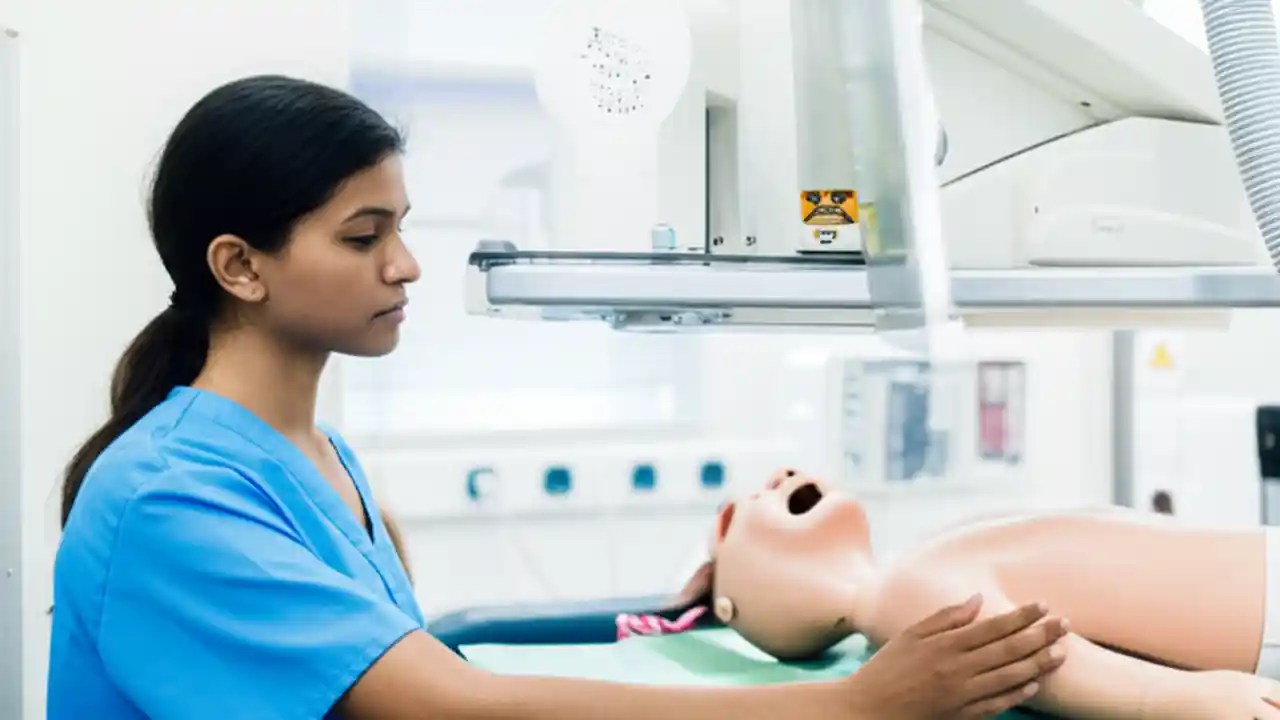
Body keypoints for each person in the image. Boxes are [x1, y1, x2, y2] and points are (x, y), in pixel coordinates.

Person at [46, 74, 1069, 720]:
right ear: (240, 265)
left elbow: (405, 653)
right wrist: (851, 708)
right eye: (362, 237)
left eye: (400, 226)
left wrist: (660, 617)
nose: (404, 266)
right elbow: (438, 701)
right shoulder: (172, 497)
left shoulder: (315, 457)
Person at [684, 467, 1280, 719]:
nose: (778, 480)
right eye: (740, 514)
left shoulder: (913, 568)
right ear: (738, 604)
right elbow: (1031, 652)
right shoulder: (904, 600)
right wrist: (1173, 700)